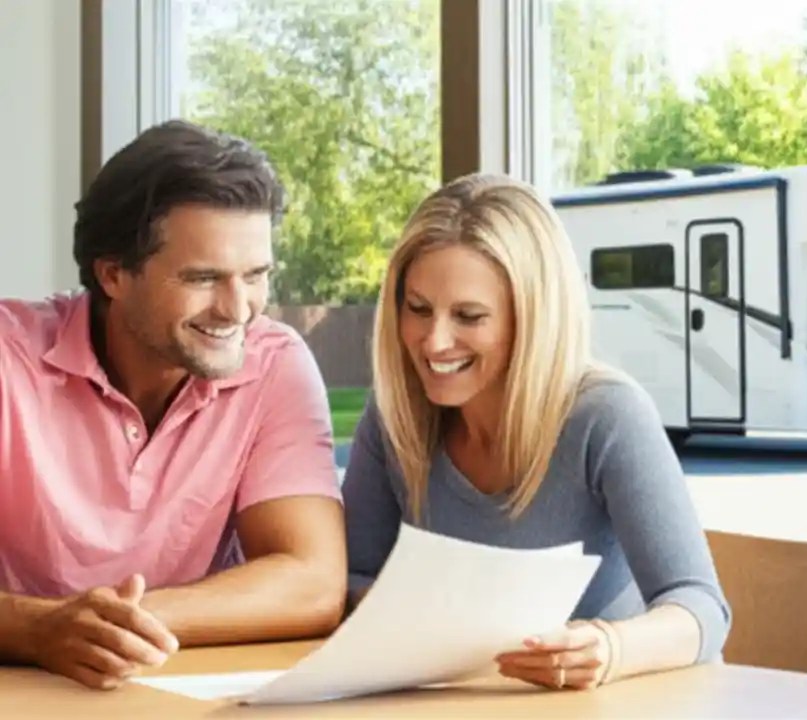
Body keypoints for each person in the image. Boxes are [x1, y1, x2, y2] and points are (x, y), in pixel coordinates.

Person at [342, 173, 731, 691]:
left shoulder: (606, 416)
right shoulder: (396, 416)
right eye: (417, 309)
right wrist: (423, 629)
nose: (434, 342)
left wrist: (609, 649)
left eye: (469, 316)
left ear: (532, 318)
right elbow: (351, 579)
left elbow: (700, 607)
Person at [0, 121, 347, 689]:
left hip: (183, 692)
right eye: (204, 278)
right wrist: (37, 630)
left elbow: (310, 580)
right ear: (113, 274)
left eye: (256, 275)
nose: (239, 309)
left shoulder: (273, 363)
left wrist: (119, 626)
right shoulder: (8, 359)